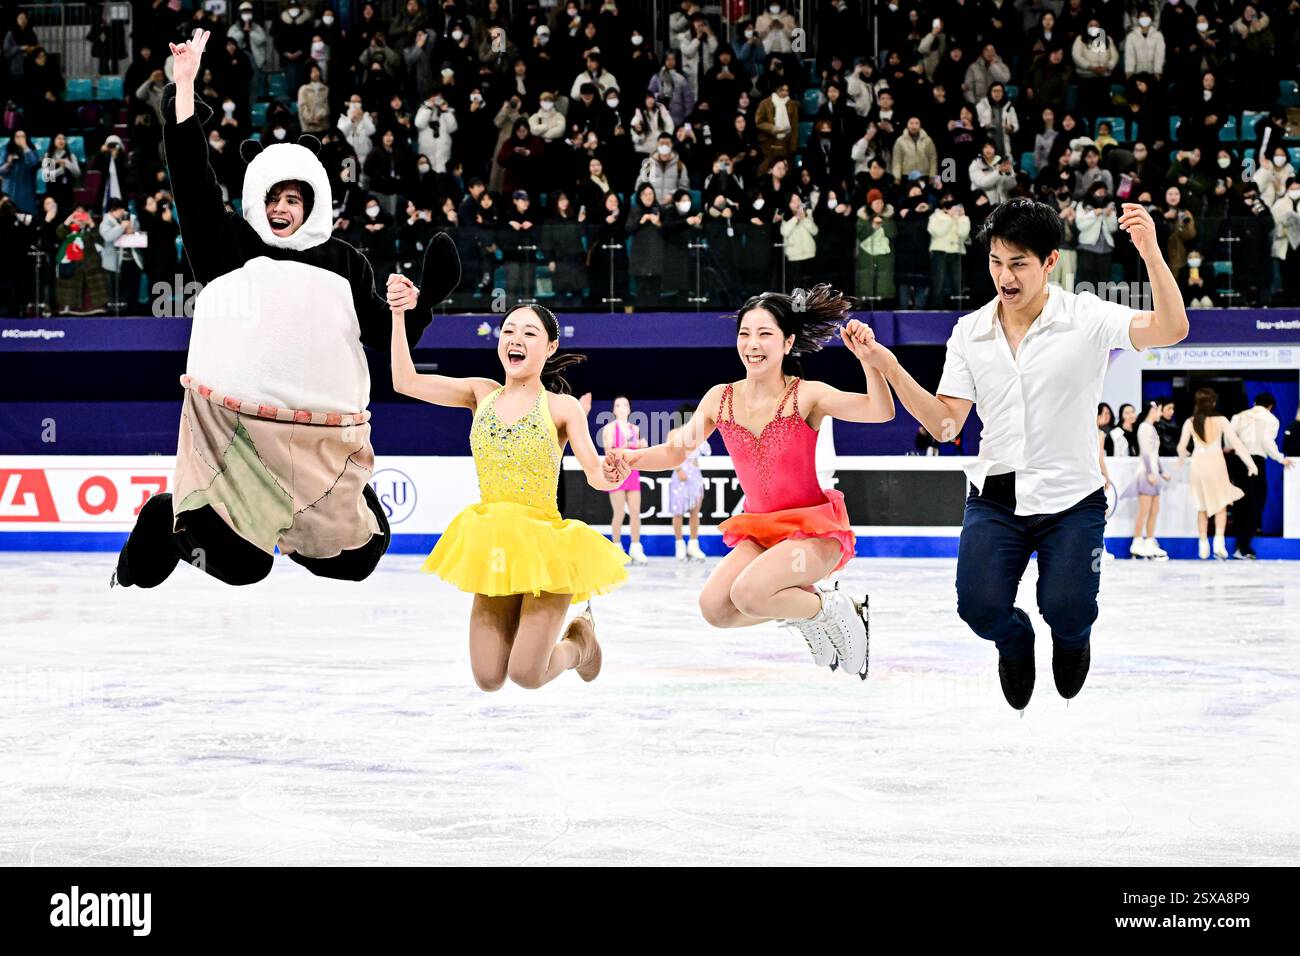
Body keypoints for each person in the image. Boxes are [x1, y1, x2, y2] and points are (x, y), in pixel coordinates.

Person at [113, 29, 458, 591]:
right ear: (256, 201)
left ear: (313, 204)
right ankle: (167, 516)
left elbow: (389, 338)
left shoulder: (345, 262)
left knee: (357, 557)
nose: (280, 208)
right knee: (238, 566)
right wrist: (183, 88)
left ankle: (312, 519)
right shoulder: (226, 246)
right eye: (272, 198)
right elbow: (192, 181)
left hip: (320, 446)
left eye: (292, 199)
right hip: (234, 437)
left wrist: (411, 308)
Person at [853, 198, 1189, 709]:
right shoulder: (970, 332)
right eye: (995, 261)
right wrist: (887, 363)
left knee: (1068, 608)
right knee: (979, 609)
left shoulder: (1086, 316)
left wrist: (1150, 253)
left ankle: (1073, 638)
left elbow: (1171, 329)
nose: (1004, 276)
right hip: (996, 498)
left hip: (1073, 498)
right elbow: (946, 425)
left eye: (1018, 263)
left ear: (1050, 262)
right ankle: (1016, 641)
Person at [611, 286, 894, 679]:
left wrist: (869, 361)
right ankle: (813, 613)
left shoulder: (806, 395)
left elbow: (880, 411)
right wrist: (630, 459)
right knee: (716, 608)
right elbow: (676, 451)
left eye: (765, 333)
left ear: (787, 342)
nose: (752, 344)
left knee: (749, 593)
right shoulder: (720, 399)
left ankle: (834, 609)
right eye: (745, 333)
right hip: (763, 534)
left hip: (813, 534)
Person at [399, 303, 630, 690]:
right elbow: (405, 380)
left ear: (551, 346)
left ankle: (580, 645)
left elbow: (594, 473)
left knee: (526, 674)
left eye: (529, 333)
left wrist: (610, 475)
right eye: (508, 330)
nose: (515, 339)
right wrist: (398, 314)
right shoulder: (480, 394)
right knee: (489, 678)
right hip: (495, 548)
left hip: (545, 550)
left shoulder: (561, 407)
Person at [1174, 388, 1257, 560]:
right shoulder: (1221, 420)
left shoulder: (1190, 421)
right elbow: (1237, 444)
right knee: (1221, 503)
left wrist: (1182, 458)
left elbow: (1181, 447)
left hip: (1198, 464)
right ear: (1212, 402)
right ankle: (1219, 543)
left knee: (1201, 505)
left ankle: (1203, 545)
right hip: (1216, 463)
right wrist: (1251, 464)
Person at [1228, 393, 1294, 559]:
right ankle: (1244, 546)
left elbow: (1229, 441)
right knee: (1255, 502)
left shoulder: (1238, 416)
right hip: (1255, 461)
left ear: (1254, 402)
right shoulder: (1271, 419)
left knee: (1240, 503)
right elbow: (1266, 441)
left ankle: (1239, 545)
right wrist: (1280, 458)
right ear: (1271, 406)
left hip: (1238, 460)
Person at [602, 396, 648, 565]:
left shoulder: (635, 429)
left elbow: (643, 449)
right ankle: (616, 549)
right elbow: (609, 451)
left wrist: (642, 445)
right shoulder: (608, 429)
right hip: (616, 473)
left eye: (625, 404)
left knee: (635, 512)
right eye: (618, 405)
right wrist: (627, 445)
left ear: (629, 409)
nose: (621, 407)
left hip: (632, 473)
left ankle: (636, 547)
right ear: (614, 410)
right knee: (619, 512)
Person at [669, 403, 711, 562]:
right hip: (679, 475)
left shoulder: (699, 435)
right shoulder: (674, 433)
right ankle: (679, 545)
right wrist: (678, 470)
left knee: (695, 511)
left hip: (695, 476)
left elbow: (705, 453)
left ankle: (693, 545)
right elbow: (669, 454)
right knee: (678, 512)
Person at [1130, 401, 1169, 559]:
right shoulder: (1143, 428)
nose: (1160, 412)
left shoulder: (1152, 428)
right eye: (1158, 409)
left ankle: (1149, 540)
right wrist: (1150, 472)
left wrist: (1161, 471)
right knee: (1144, 509)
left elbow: (1155, 454)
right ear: (1151, 410)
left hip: (1154, 472)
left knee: (1155, 509)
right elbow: (1145, 452)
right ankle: (1137, 542)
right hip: (1146, 472)